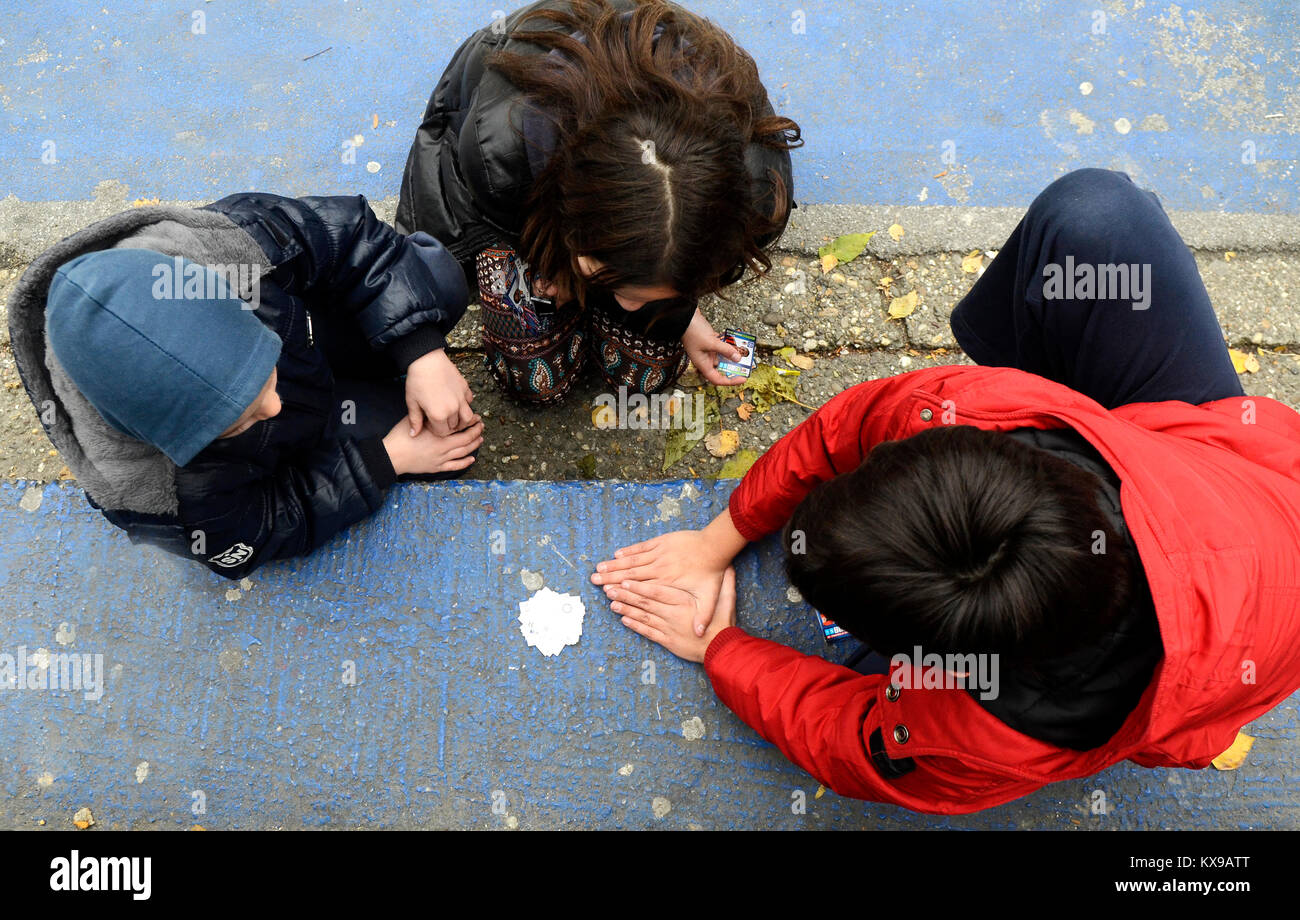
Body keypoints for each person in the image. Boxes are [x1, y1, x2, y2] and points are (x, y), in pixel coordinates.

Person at [593, 168, 1300, 814]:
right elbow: (856, 423)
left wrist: (723, 649)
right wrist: (722, 537)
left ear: (948, 665)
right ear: (961, 452)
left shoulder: (995, 730)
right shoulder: (996, 413)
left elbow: (852, 739)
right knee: (1094, 217)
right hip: (1216, 456)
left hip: (1208, 628)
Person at [9, 193, 481, 579]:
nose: (274, 405)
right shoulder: (157, 493)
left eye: (264, 367)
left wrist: (421, 351)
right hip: (296, 442)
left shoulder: (230, 247)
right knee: (446, 445)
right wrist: (385, 459)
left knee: (437, 278)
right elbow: (264, 528)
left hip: (312, 340)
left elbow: (348, 235)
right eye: (242, 419)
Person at [395, 0, 800, 404]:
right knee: (535, 380)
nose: (626, 306)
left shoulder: (759, 195)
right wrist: (420, 351)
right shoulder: (496, 148)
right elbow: (428, 227)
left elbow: (667, 244)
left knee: (642, 379)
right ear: (573, 217)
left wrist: (684, 314)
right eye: (613, 282)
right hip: (519, 138)